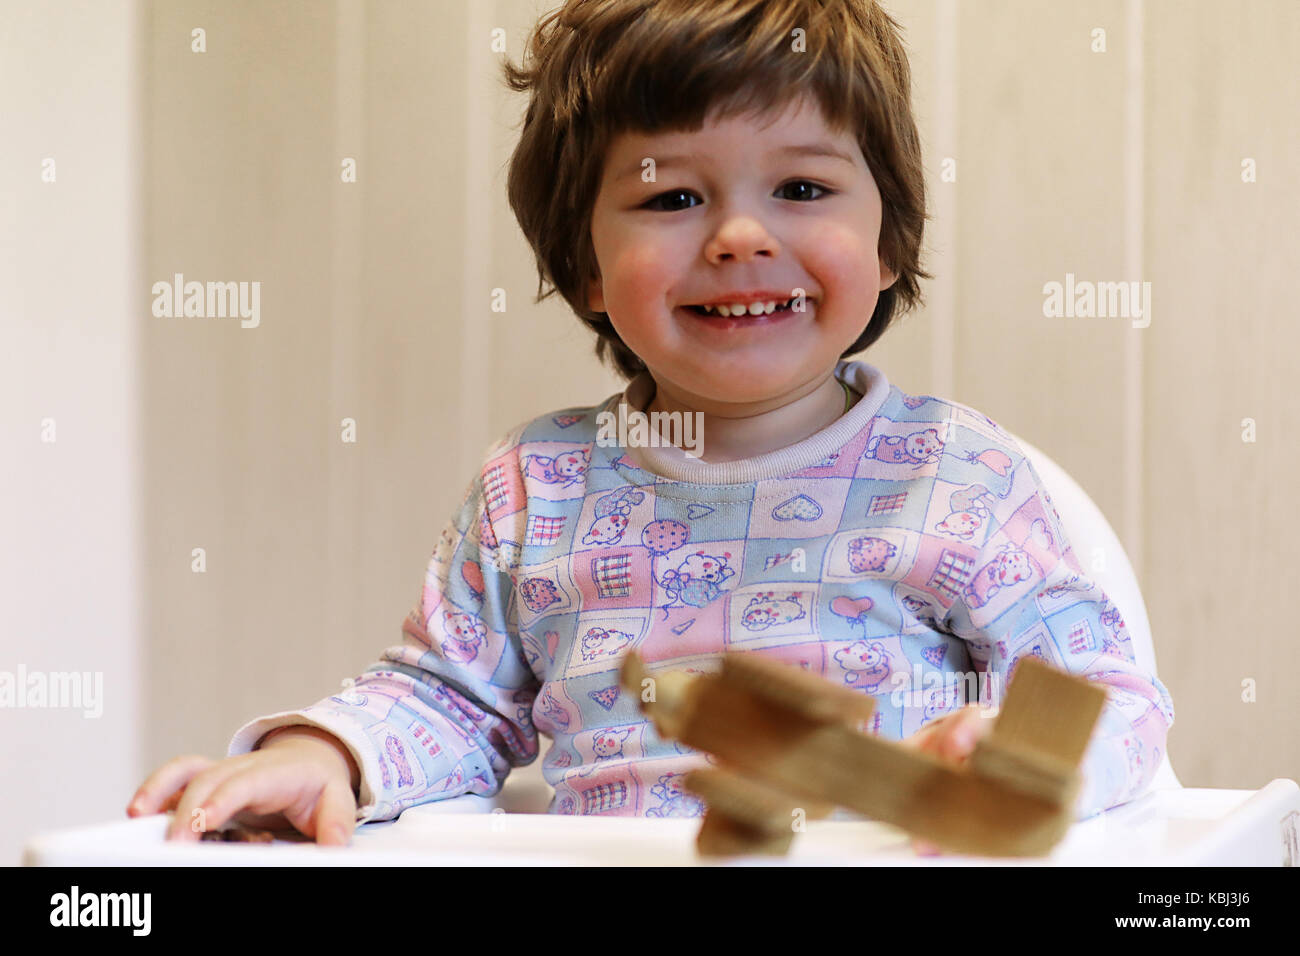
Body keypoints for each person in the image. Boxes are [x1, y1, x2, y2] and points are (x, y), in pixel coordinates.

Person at [129, 0, 1174, 853]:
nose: (739, 235)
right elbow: (450, 700)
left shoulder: (958, 476)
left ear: (889, 239)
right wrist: (327, 752)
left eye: (803, 186)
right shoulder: (539, 485)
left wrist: (1022, 756)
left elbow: (1106, 694)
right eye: (671, 196)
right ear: (584, 266)